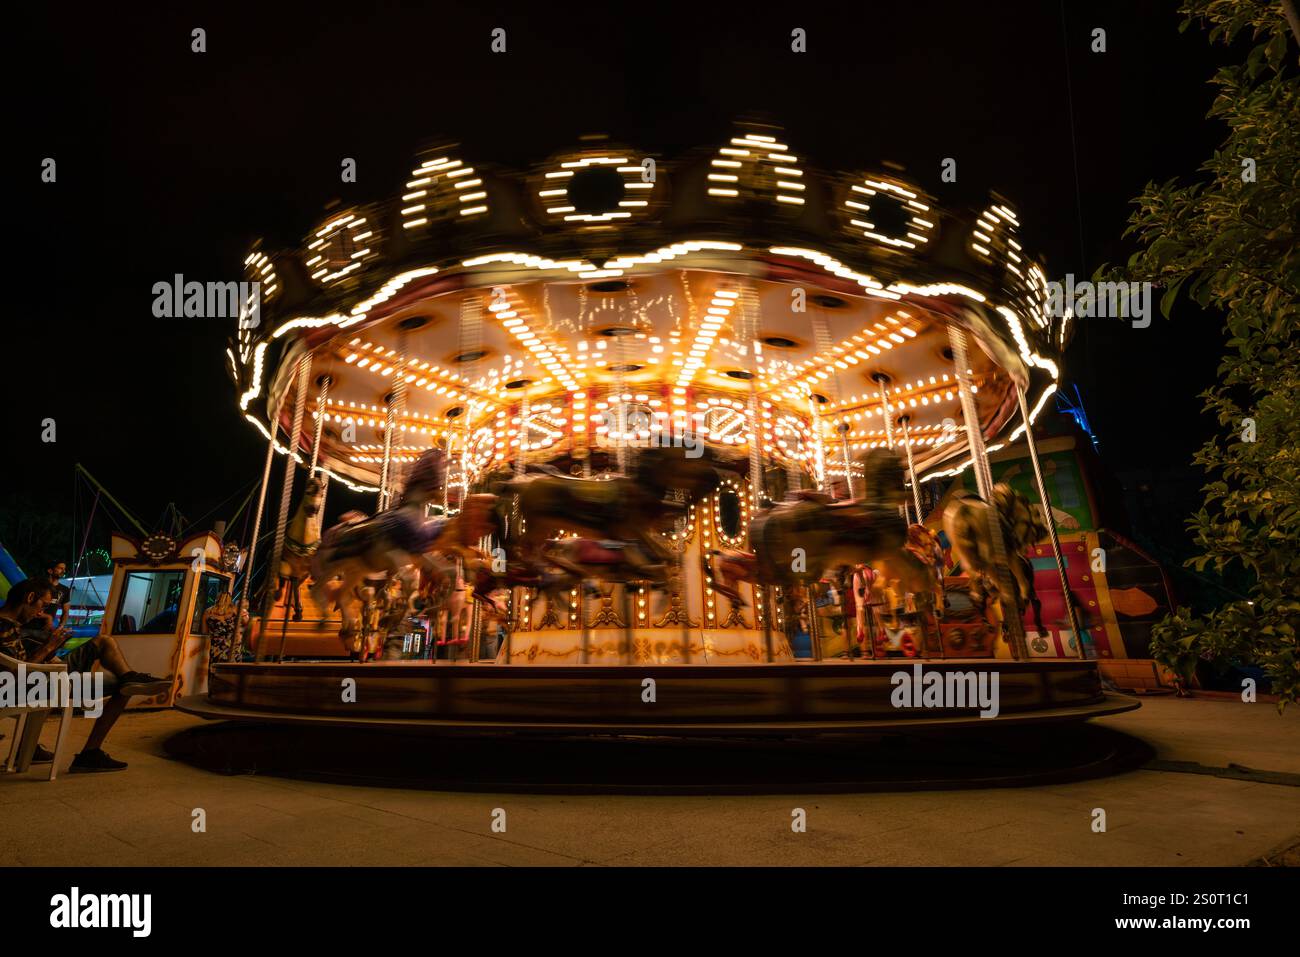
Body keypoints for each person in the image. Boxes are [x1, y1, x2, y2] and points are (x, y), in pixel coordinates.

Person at [0, 578, 171, 772]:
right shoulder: (4, 628)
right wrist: (49, 647)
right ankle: (90, 752)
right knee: (120, 683)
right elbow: (14, 675)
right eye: (42, 605)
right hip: (33, 686)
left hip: (38, 679)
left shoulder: (13, 624)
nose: (41, 612)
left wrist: (50, 646)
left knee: (104, 644)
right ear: (30, 597)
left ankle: (129, 676)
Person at [43, 560, 72, 628]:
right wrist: (48, 617)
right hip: (30, 626)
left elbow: (66, 611)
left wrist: (61, 626)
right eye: (60, 568)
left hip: (47, 629)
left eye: (64, 569)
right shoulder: (40, 586)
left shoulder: (65, 590)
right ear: (50, 570)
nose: (63, 571)